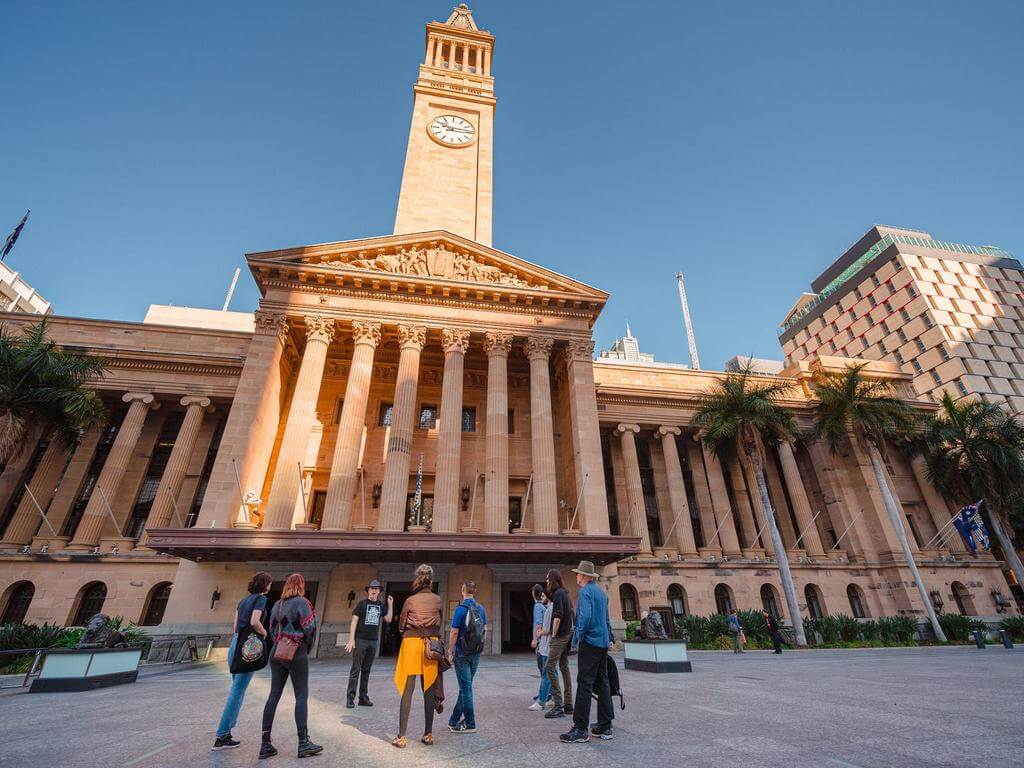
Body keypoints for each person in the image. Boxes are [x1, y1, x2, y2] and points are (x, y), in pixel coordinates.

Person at [259, 573, 321, 760]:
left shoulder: (278, 604)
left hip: (276, 651)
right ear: (301, 586)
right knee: (301, 695)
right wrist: (306, 647)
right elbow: (310, 627)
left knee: (273, 695)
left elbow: (271, 629)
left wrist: (279, 640)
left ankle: (265, 744)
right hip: (295, 650)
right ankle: (303, 742)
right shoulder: (302, 603)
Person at [212, 571, 272, 751]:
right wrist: (264, 632)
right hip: (248, 645)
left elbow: (235, 626)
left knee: (236, 688)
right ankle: (222, 735)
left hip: (235, 643)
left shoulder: (243, 601)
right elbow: (255, 621)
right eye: (269, 583)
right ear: (265, 584)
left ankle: (226, 733)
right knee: (237, 691)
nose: (270, 586)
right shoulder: (261, 599)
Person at [560, 560, 614, 744]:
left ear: (584, 576)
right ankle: (605, 725)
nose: (576, 576)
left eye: (577, 573)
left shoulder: (585, 592)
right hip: (602, 642)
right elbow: (607, 619)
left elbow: (585, 617)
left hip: (590, 642)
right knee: (603, 682)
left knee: (584, 683)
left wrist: (577, 639)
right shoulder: (601, 592)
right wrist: (609, 638)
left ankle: (580, 728)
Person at [393, 563, 444, 748]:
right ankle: (428, 734)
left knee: (407, 690)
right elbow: (439, 623)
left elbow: (401, 625)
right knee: (429, 689)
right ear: (431, 580)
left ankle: (402, 737)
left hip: (411, 644)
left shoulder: (410, 600)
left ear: (418, 579)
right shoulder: (438, 599)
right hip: (430, 645)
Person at [345, 578, 393, 708]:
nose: (373, 591)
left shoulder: (380, 606)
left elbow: (388, 619)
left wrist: (390, 605)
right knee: (356, 670)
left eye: (376, 589)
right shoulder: (361, 604)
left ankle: (363, 698)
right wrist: (351, 639)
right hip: (360, 640)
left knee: (366, 670)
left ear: (379, 592)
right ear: (368, 591)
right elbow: (354, 621)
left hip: (373, 641)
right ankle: (350, 698)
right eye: (372, 589)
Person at [447, 580, 487, 733]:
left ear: (462, 590)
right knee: (465, 688)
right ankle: (453, 720)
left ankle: (470, 724)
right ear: (474, 591)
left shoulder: (460, 609)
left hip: (462, 654)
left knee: (466, 689)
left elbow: (454, 632)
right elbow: (485, 630)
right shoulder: (481, 608)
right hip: (475, 653)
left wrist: (450, 652)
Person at [543, 568, 574, 720]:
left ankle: (558, 705)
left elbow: (558, 616)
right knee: (564, 667)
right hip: (567, 634)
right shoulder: (563, 593)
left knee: (549, 666)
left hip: (560, 635)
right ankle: (568, 703)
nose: (546, 581)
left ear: (553, 580)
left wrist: (553, 635)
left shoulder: (559, 594)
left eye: (548, 579)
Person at [529, 585, 553, 711]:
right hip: (545, 640)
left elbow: (538, 623)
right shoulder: (544, 606)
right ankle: (549, 693)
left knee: (544, 670)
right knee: (547, 670)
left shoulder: (538, 606)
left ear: (534, 593)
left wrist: (535, 639)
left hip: (542, 641)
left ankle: (545, 696)